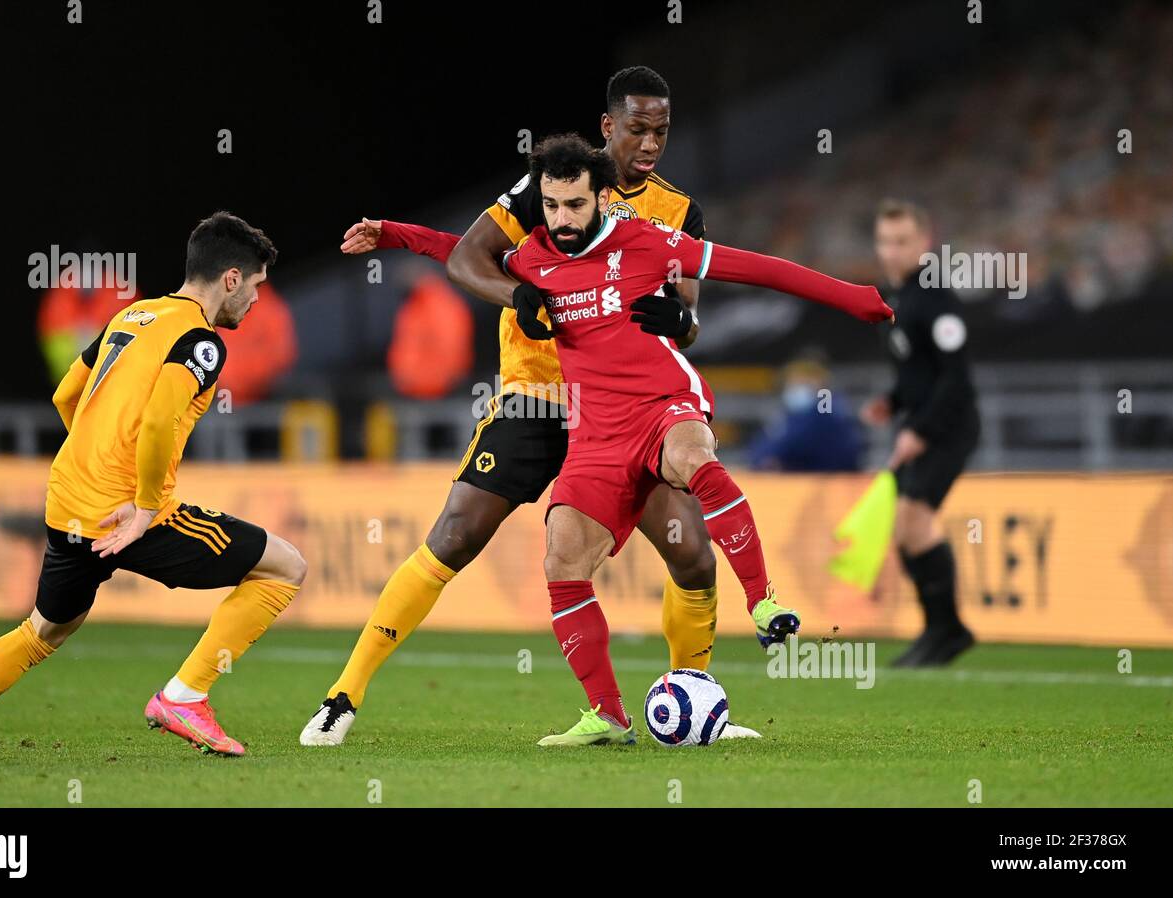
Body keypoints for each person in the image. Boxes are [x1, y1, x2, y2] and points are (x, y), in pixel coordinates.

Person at [303, 66, 744, 747]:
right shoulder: (551, 190)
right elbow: (468, 257)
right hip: (537, 395)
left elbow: (688, 318)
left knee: (692, 555)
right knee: (454, 535)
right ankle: (343, 695)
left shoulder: (678, 210)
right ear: (608, 127)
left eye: (661, 130)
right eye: (637, 128)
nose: (651, 142)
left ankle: (694, 701)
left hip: (622, 407)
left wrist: (677, 320)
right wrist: (519, 298)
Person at [498, 135, 890, 744]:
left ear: (601, 196)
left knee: (693, 459)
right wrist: (393, 233)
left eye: (574, 204)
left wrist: (853, 298)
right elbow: (457, 251)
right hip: (597, 435)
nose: (562, 218)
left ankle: (763, 602)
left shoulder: (648, 243)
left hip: (663, 402)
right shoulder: (534, 259)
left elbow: (757, 267)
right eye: (550, 205)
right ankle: (608, 716)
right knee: (561, 559)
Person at [0, 211, 306, 764]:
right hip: (128, 515)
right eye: (256, 286)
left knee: (43, 630)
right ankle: (184, 697)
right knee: (285, 567)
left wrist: (96, 461)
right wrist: (140, 507)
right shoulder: (201, 343)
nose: (257, 301)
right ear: (231, 279)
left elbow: (67, 393)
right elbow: (161, 421)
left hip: (67, 504)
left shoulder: (132, 315)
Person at [860, 199, 979, 667]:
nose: (891, 251)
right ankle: (939, 631)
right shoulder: (903, 296)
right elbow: (920, 373)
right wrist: (893, 401)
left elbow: (956, 377)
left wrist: (921, 431)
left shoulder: (935, 298)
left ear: (924, 242)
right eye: (885, 241)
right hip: (921, 423)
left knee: (915, 523)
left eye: (902, 241)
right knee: (907, 530)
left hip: (949, 428)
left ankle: (946, 632)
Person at [747, 353, 864, 472]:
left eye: (804, 383)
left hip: (827, 479)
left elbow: (796, 442)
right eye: (793, 383)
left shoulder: (828, 412)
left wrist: (773, 457)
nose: (797, 388)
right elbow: (760, 448)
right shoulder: (791, 414)